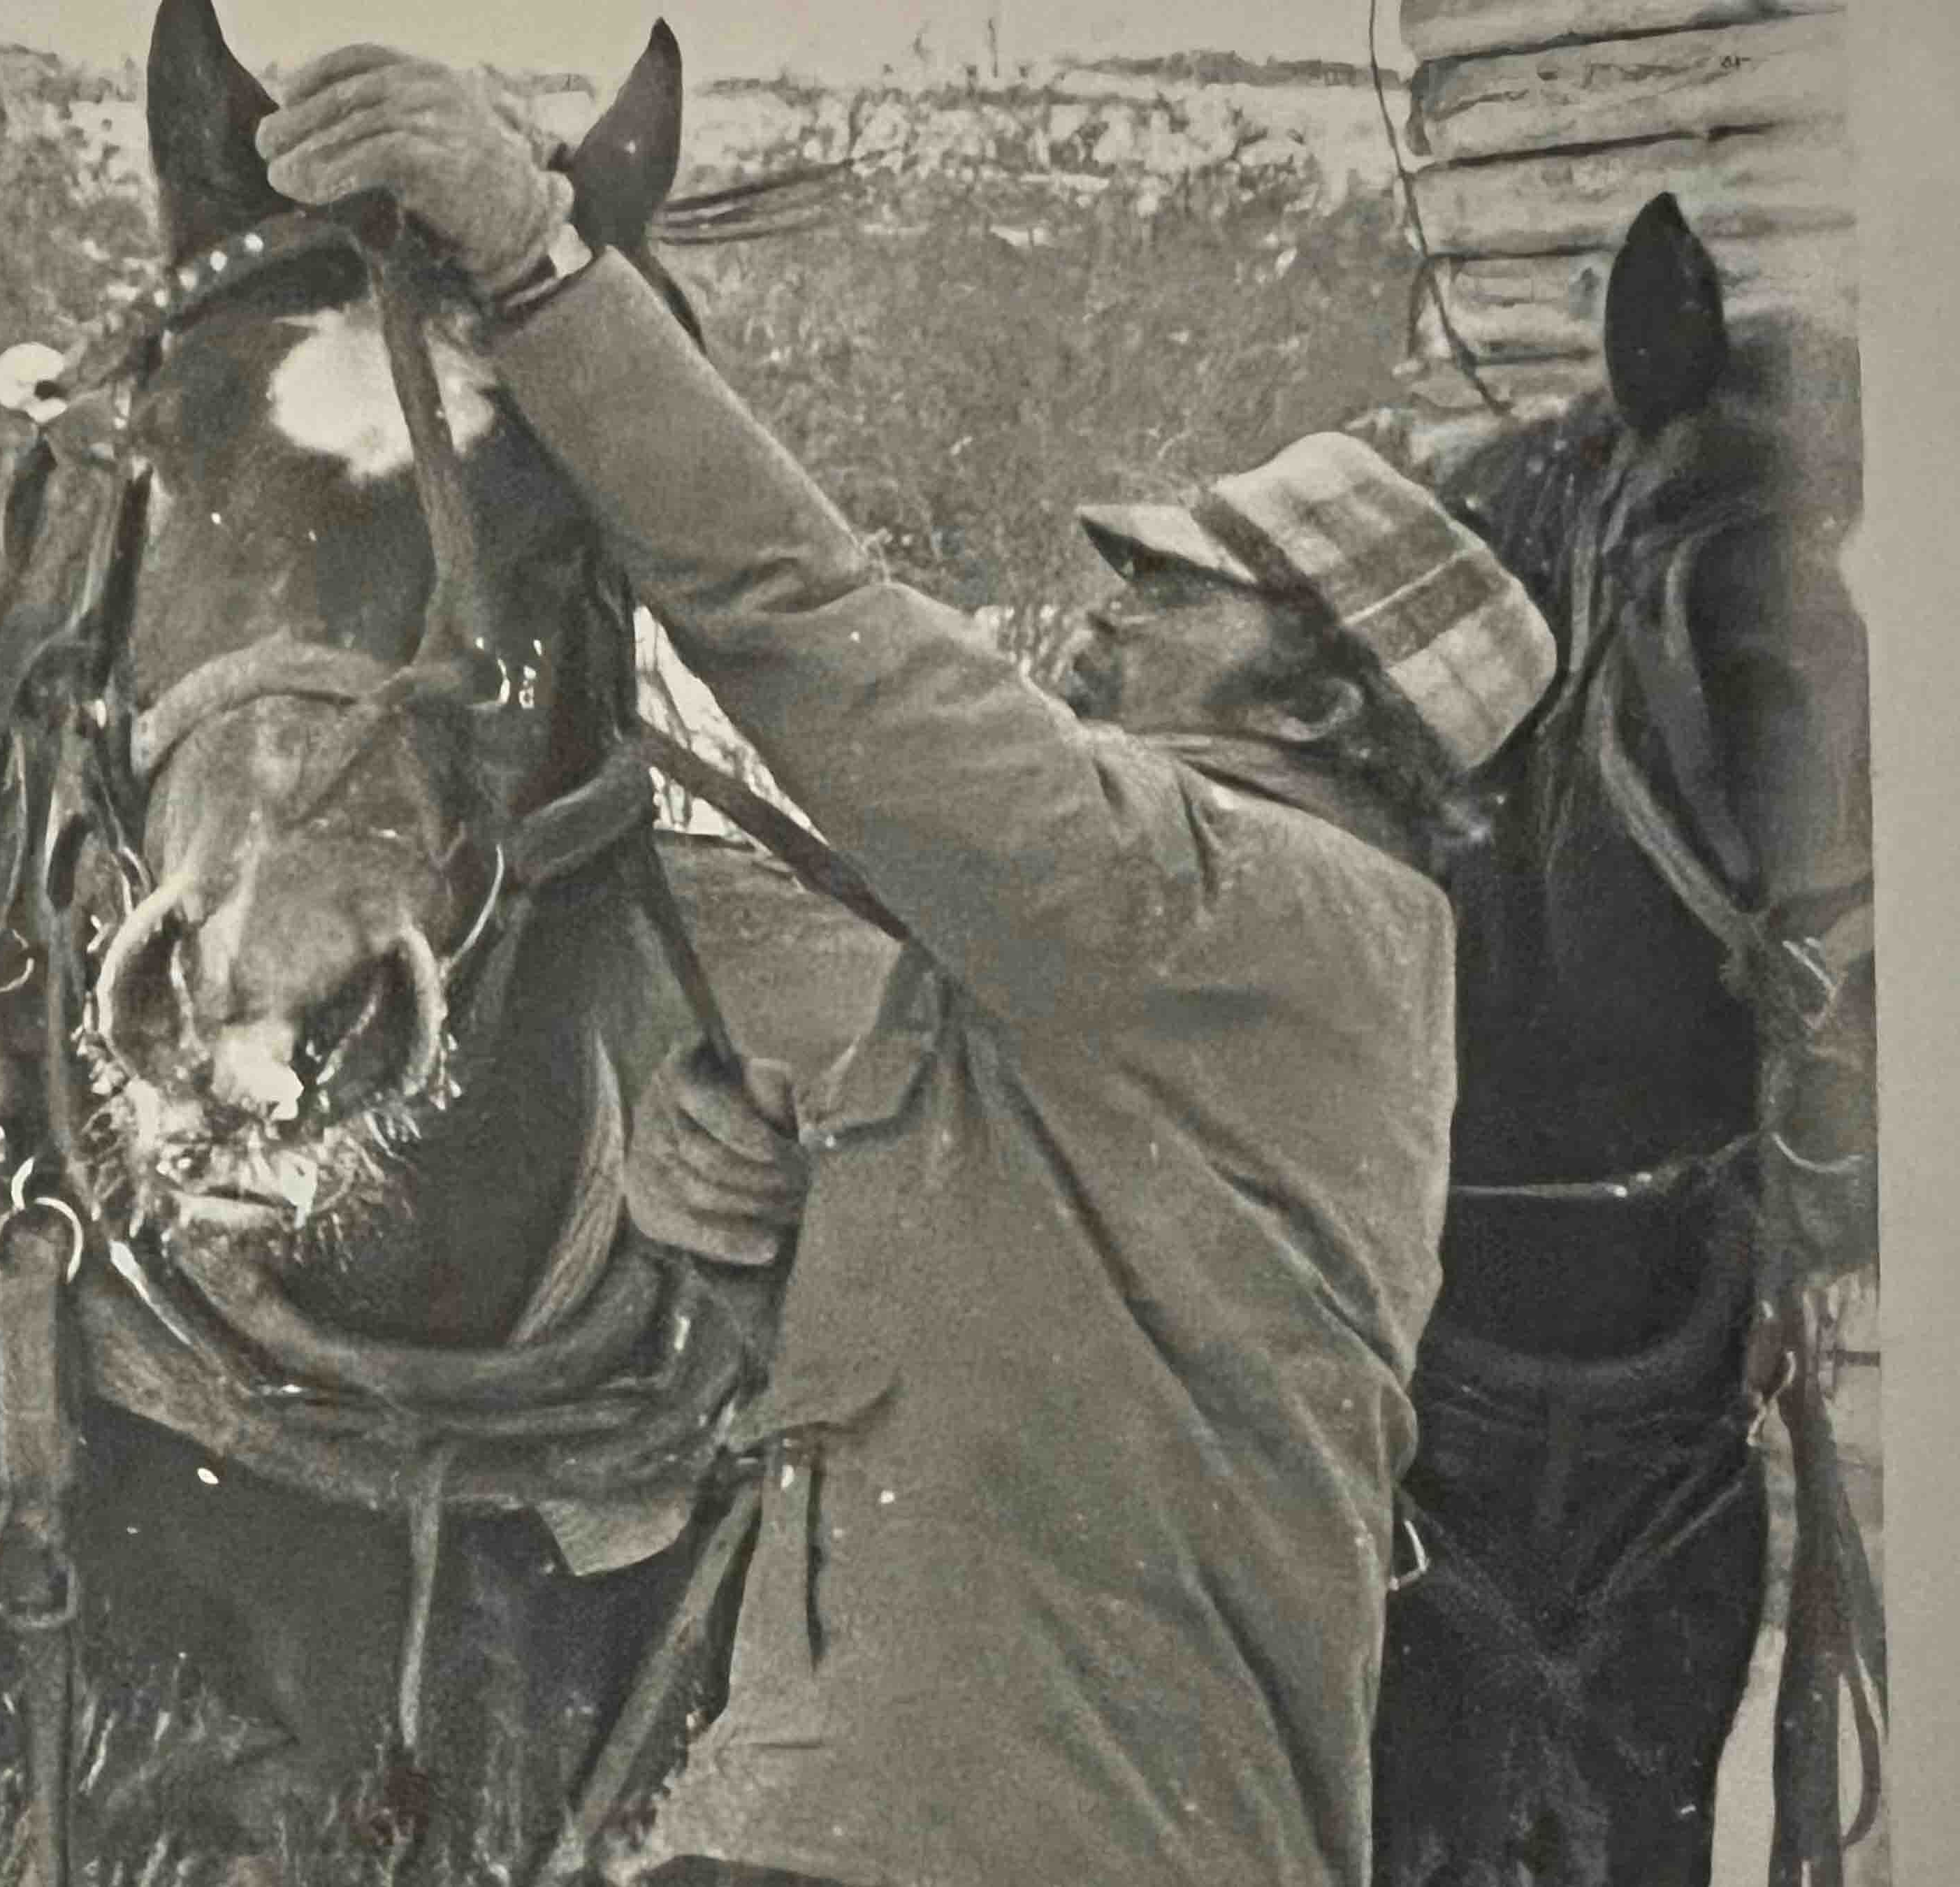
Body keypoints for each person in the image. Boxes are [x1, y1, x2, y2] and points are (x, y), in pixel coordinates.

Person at [255, 47, 1558, 1887]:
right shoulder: (1244, 948)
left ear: (1323, 701)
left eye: (1177, 592)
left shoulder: (1226, 889)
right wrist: (810, 1208)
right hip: (929, 1801)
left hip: (997, 1833)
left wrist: (542, 265)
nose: (1104, 605)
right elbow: (1111, 1291)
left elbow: (809, 619)